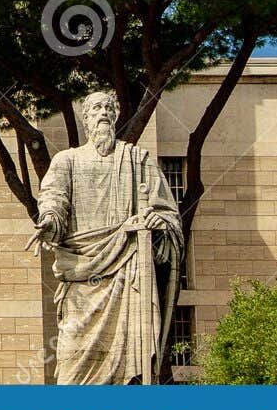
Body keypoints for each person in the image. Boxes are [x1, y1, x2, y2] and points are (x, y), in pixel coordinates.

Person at [27, 90, 182, 384]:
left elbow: (168, 214)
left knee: (130, 374)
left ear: (117, 116)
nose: (104, 113)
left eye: (109, 108)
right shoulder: (67, 161)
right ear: (85, 118)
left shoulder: (139, 160)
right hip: (81, 280)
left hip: (127, 278)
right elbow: (53, 199)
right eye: (97, 108)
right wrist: (48, 221)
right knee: (71, 368)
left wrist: (156, 220)